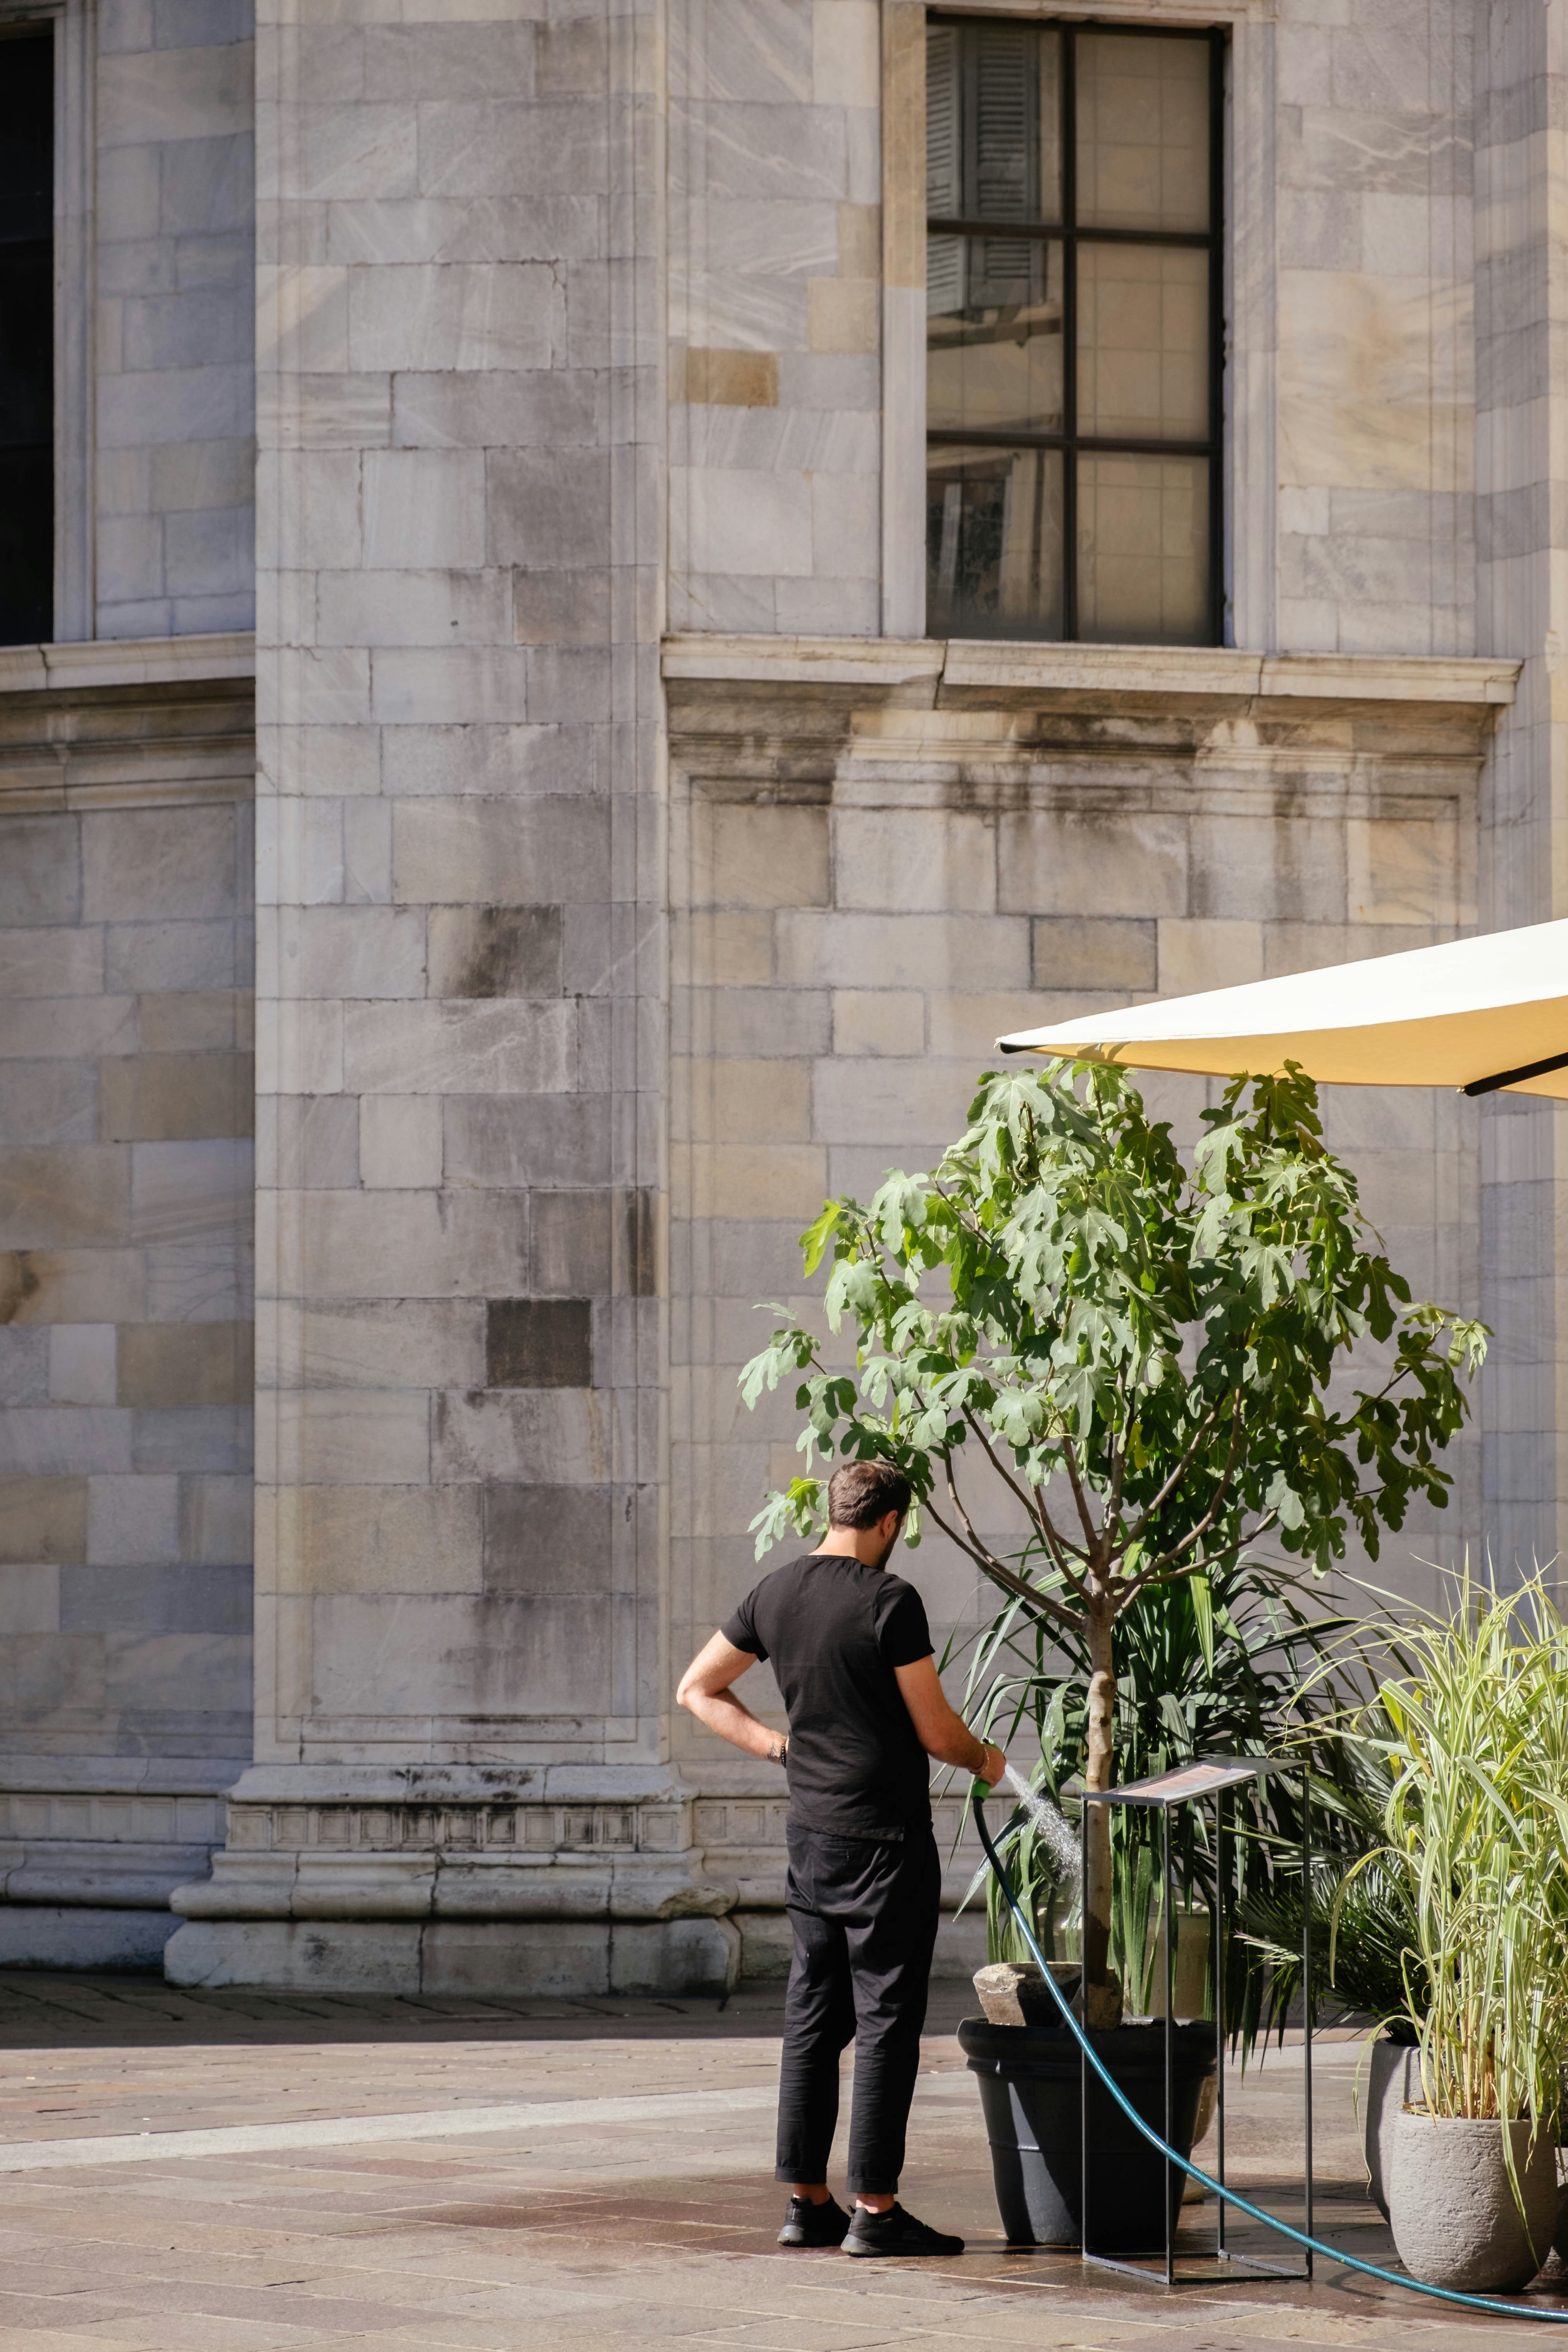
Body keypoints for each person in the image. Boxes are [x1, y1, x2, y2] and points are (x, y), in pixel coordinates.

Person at [676, 1459, 1007, 2258]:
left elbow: (696, 1687)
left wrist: (777, 1746)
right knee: (887, 2018)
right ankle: (876, 2209)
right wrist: (989, 1761)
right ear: (890, 1521)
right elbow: (935, 1730)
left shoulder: (775, 1591)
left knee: (812, 2015)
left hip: (812, 1835)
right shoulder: (889, 1600)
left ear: (832, 1510)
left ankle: (806, 2201)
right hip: (885, 1840)